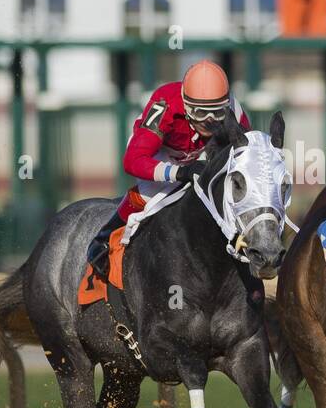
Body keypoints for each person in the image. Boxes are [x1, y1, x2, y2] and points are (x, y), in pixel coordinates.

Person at [86, 61, 249, 279]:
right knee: (150, 193)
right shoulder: (166, 104)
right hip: (162, 152)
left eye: (217, 113)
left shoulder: (234, 111)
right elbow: (133, 160)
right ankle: (103, 237)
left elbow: (247, 158)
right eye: (201, 113)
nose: (209, 122)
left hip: (200, 152)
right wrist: (178, 173)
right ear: (187, 105)